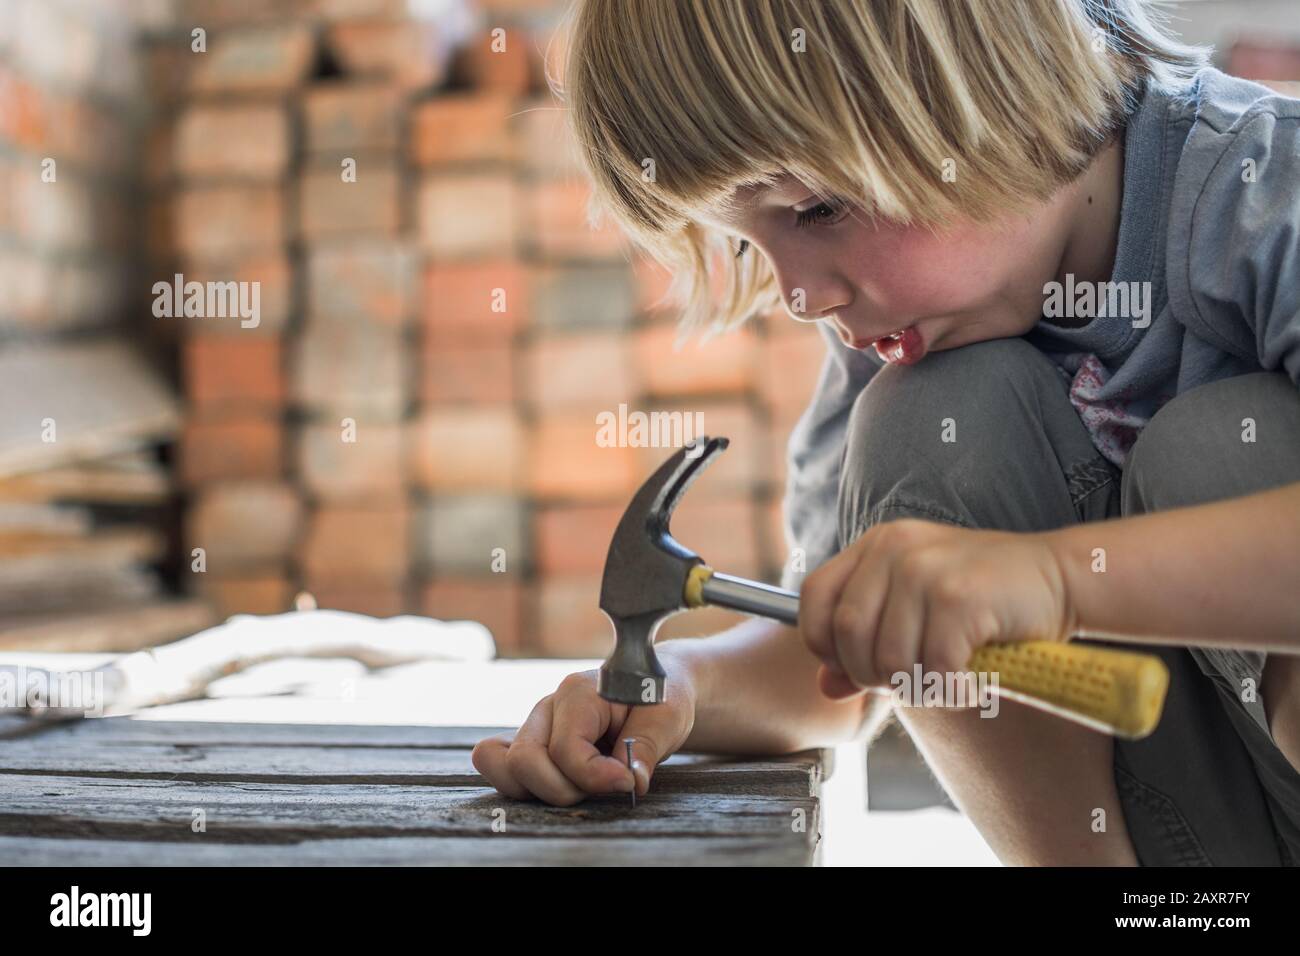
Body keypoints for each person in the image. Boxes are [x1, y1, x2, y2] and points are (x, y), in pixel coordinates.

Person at [474, 0, 1300, 865]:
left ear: (989, 80)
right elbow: (846, 667)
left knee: (1215, 452)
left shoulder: (1257, 192)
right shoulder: (915, 332)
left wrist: (1054, 581)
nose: (800, 297)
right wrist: (681, 687)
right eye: (751, 246)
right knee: (929, 425)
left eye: (818, 208)